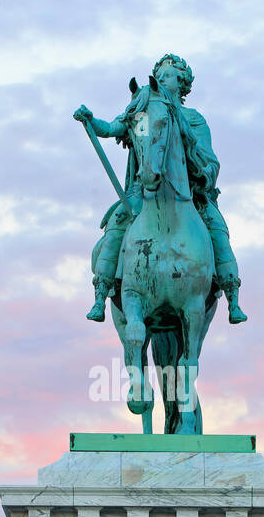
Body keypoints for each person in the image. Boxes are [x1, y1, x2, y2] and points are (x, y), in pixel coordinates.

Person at [74, 54, 246, 325]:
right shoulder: (143, 106)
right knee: (117, 224)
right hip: (143, 192)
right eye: (161, 74)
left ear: (183, 84)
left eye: (172, 76)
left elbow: (210, 160)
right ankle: (102, 292)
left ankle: (231, 294)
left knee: (216, 227)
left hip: (190, 195)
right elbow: (113, 127)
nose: (165, 79)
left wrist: (197, 166)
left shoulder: (193, 119)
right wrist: (92, 121)